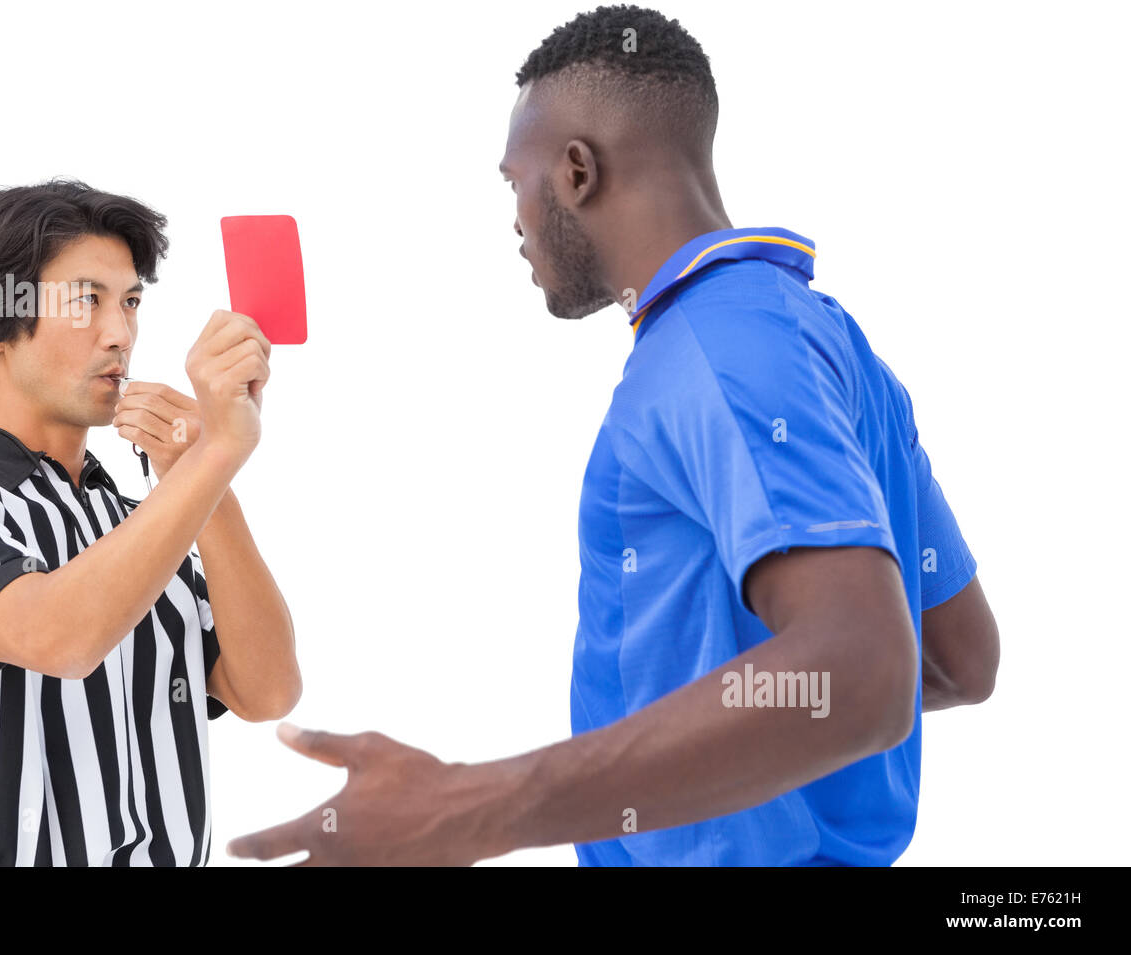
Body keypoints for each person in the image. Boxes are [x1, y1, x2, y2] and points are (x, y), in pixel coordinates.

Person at [227, 4, 999, 866]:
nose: (515, 219)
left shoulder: (717, 351)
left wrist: (462, 808)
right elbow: (957, 660)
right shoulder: (824, 338)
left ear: (576, 170)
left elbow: (866, 674)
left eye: (512, 183)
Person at [0, 179, 299, 865]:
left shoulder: (145, 522)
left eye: (131, 302)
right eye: (86, 300)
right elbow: (61, 637)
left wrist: (208, 484)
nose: (121, 334)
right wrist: (217, 454)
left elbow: (267, 690)